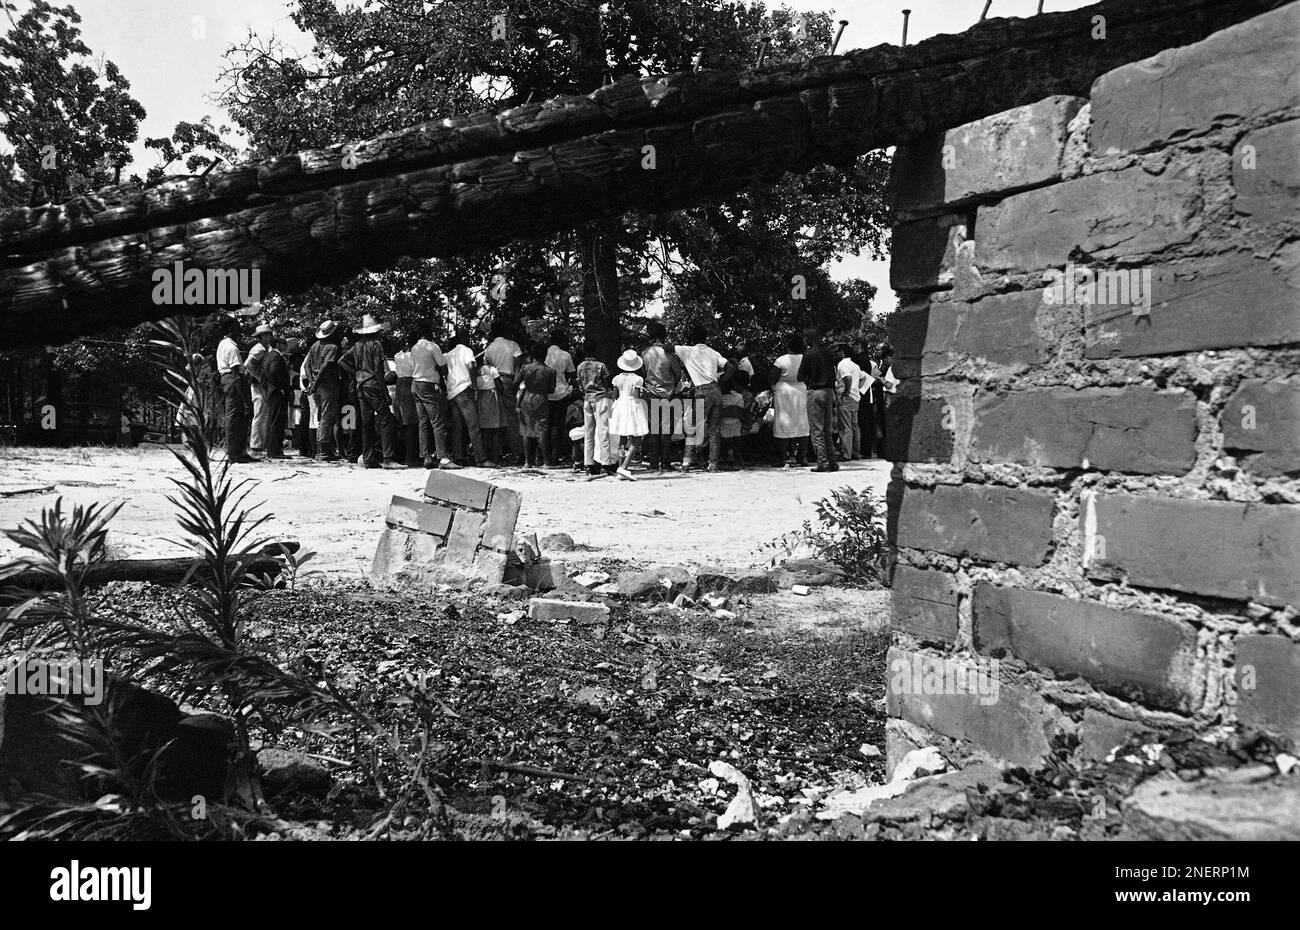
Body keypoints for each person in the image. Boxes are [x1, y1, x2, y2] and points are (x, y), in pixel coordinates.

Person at [339, 314, 402, 469]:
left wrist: (357, 372)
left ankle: (368, 457)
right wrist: (385, 392)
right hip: (373, 385)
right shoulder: (376, 345)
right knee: (386, 419)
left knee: (366, 423)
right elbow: (378, 370)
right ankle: (388, 458)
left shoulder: (358, 345)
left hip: (361, 385)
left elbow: (342, 361)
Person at [673, 324, 731, 472]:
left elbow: (667, 348)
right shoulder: (713, 352)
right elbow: (731, 367)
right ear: (706, 338)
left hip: (701, 391)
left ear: (692, 338)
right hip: (716, 390)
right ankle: (713, 464)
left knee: (692, 427)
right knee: (714, 429)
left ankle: (686, 463)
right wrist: (720, 383)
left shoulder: (687, 351)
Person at [639, 321, 686, 472]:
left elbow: (643, 374)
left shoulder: (644, 354)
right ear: (663, 336)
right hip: (668, 395)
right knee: (666, 430)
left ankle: (653, 464)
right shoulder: (670, 354)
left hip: (651, 394)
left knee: (653, 430)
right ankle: (665, 463)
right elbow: (678, 374)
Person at [409, 322, 454, 470]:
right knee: (437, 422)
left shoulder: (415, 347)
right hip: (428, 385)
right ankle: (443, 457)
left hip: (415, 384)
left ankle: (426, 456)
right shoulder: (432, 346)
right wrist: (444, 381)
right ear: (429, 333)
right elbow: (443, 366)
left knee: (423, 422)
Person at [445, 329, 490, 467]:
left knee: (457, 427)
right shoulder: (467, 351)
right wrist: (475, 386)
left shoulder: (449, 354)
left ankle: (458, 457)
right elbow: (471, 367)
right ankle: (481, 459)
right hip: (464, 389)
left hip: (452, 392)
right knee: (473, 426)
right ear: (465, 338)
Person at [798, 327, 839, 472]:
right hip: (829, 392)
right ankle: (833, 461)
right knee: (827, 429)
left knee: (816, 429)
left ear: (808, 338)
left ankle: (822, 462)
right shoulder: (828, 352)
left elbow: (800, 376)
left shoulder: (808, 354)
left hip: (815, 392)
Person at [216, 315, 256, 463]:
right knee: (235, 417)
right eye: (237, 326)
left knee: (235, 416)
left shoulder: (222, 344)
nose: (240, 329)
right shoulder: (232, 347)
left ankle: (238, 451)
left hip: (226, 380)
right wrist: (245, 398)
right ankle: (235, 453)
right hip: (233, 380)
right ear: (231, 328)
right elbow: (235, 373)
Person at [484, 321, 525, 461]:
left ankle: (496, 453)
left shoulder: (489, 348)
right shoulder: (513, 345)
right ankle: (518, 452)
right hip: (508, 380)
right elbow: (519, 365)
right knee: (512, 418)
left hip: (492, 383)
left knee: (495, 418)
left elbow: (487, 367)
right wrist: (516, 383)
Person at [304, 319, 344, 461]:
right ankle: (324, 451)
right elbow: (326, 366)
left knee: (321, 417)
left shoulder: (315, 346)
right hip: (327, 384)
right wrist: (315, 384)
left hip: (317, 383)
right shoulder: (333, 347)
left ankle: (321, 450)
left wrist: (312, 382)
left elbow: (306, 366)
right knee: (327, 417)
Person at [770, 333, 809, 468]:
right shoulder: (805, 359)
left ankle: (782, 458)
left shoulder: (781, 360)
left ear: (788, 347)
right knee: (802, 423)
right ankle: (801, 457)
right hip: (801, 391)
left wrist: (774, 386)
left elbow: (773, 377)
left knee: (783, 424)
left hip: (784, 392)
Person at [609, 350, 649, 480]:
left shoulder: (617, 378)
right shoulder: (638, 379)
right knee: (636, 439)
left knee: (623, 438)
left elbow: (614, 396)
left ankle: (620, 467)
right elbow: (637, 396)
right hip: (632, 405)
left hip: (620, 405)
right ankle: (624, 467)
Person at [516, 342, 558, 467]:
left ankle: (528, 462)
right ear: (545, 354)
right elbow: (551, 390)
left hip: (527, 398)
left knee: (527, 430)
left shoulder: (525, 368)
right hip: (541, 399)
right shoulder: (550, 371)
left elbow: (516, 382)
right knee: (542, 429)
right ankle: (546, 462)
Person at [576, 348, 616, 477]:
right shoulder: (601, 366)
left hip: (587, 399)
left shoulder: (580, 366)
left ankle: (589, 464)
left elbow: (580, 384)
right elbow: (606, 382)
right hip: (600, 398)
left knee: (588, 432)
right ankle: (605, 464)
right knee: (603, 431)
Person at [544, 330, 576, 464]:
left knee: (545, 426)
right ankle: (555, 455)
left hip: (545, 394)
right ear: (562, 341)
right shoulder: (565, 355)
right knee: (558, 426)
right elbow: (571, 374)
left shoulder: (544, 354)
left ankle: (544, 456)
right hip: (562, 393)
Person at [244, 323, 274, 455]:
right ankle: (255, 445)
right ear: (261, 337)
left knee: (263, 413)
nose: (269, 337)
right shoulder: (259, 348)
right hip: (258, 385)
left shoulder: (265, 348)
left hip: (261, 384)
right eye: (266, 335)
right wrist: (259, 377)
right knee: (260, 413)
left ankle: (260, 444)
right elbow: (248, 363)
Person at [392, 340, 420, 467]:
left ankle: (406, 455)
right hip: (410, 384)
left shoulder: (398, 356)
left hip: (400, 384)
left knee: (404, 422)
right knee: (411, 423)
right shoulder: (412, 356)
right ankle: (411, 457)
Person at [474, 355, 504, 464]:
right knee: (495, 429)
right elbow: (499, 385)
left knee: (484, 430)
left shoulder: (474, 371)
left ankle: (485, 456)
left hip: (480, 399)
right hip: (492, 397)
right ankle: (495, 457)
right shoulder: (492, 370)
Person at [836, 343, 864, 460]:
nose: (835, 353)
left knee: (845, 426)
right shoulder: (855, 365)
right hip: (855, 397)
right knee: (854, 426)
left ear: (842, 352)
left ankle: (846, 454)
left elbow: (847, 377)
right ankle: (855, 452)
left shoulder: (842, 364)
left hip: (846, 397)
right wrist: (856, 389)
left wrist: (846, 392)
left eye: (837, 351)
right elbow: (864, 377)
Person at [263, 338, 291, 459]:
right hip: (277, 392)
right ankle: (275, 451)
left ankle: (273, 450)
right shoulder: (276, 356)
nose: (286, 347)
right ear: (279, 345)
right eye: (284, 344)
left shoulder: (270, 356)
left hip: (272, 390)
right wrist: (280, 387)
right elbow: (274, 372)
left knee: (273, 420)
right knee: (277, 421)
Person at [719, 371, 749, 468]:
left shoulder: (719, 398)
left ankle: (718, 455)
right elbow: (741, 412)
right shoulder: (739, 397)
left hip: (722, 429)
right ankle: (732, 450)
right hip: (736, 428)